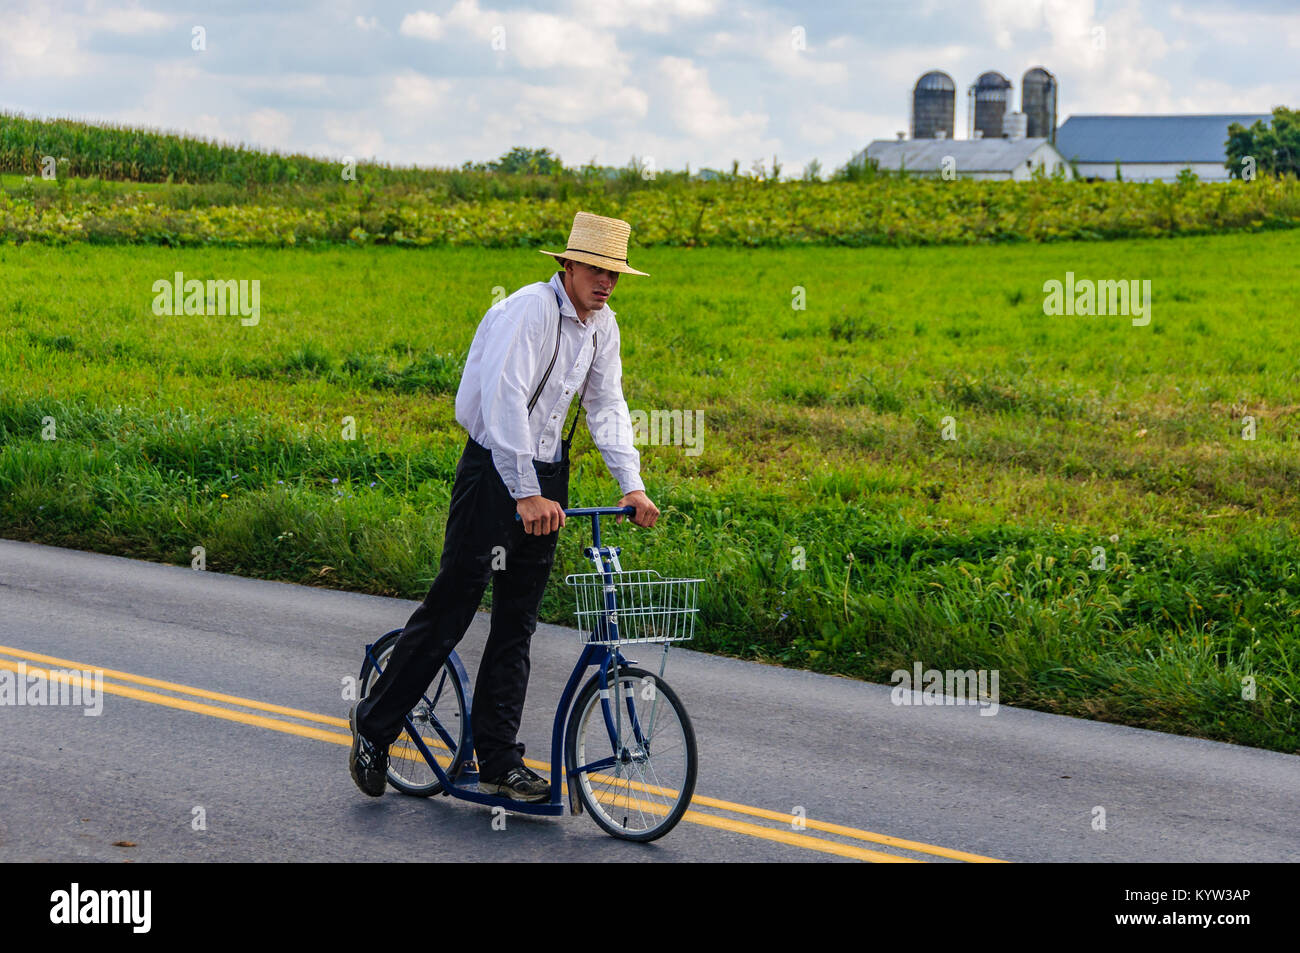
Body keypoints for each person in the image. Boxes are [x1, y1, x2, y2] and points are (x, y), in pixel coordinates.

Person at [349, 211, 660, 802]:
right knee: (454, 608)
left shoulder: (603, 326)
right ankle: (373, 723)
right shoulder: (529, 311)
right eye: (596, 269)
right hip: (496, 471)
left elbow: (607, 405)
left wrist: (632, 482)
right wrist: (524, 493)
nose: (607, 283)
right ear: (567, 265)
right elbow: (504, 401)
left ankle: (498, 758)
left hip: (548, 479)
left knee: (518, 622)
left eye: (615, 274)